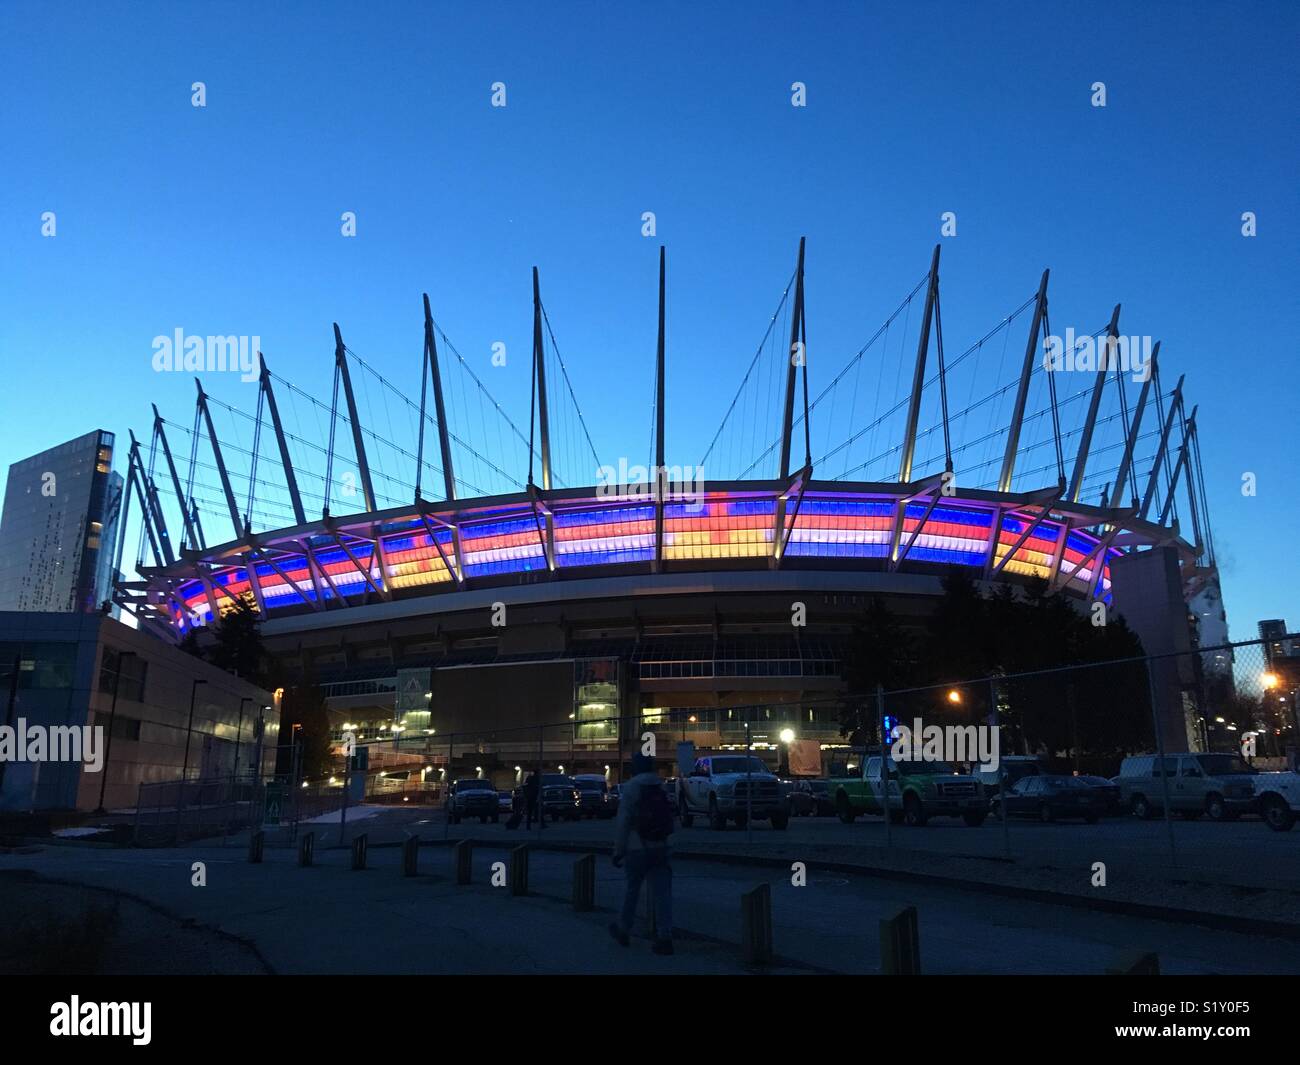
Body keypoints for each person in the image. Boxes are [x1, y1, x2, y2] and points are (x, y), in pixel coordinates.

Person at [609, 752, 674, 955]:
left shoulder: (631, 787)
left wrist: (618, 850)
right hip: (660, 846)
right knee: (662, 894)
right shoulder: (660, 785)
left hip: (637, 847)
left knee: (632, 890)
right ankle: (665, 937)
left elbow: (624, 822)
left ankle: (624, 928)